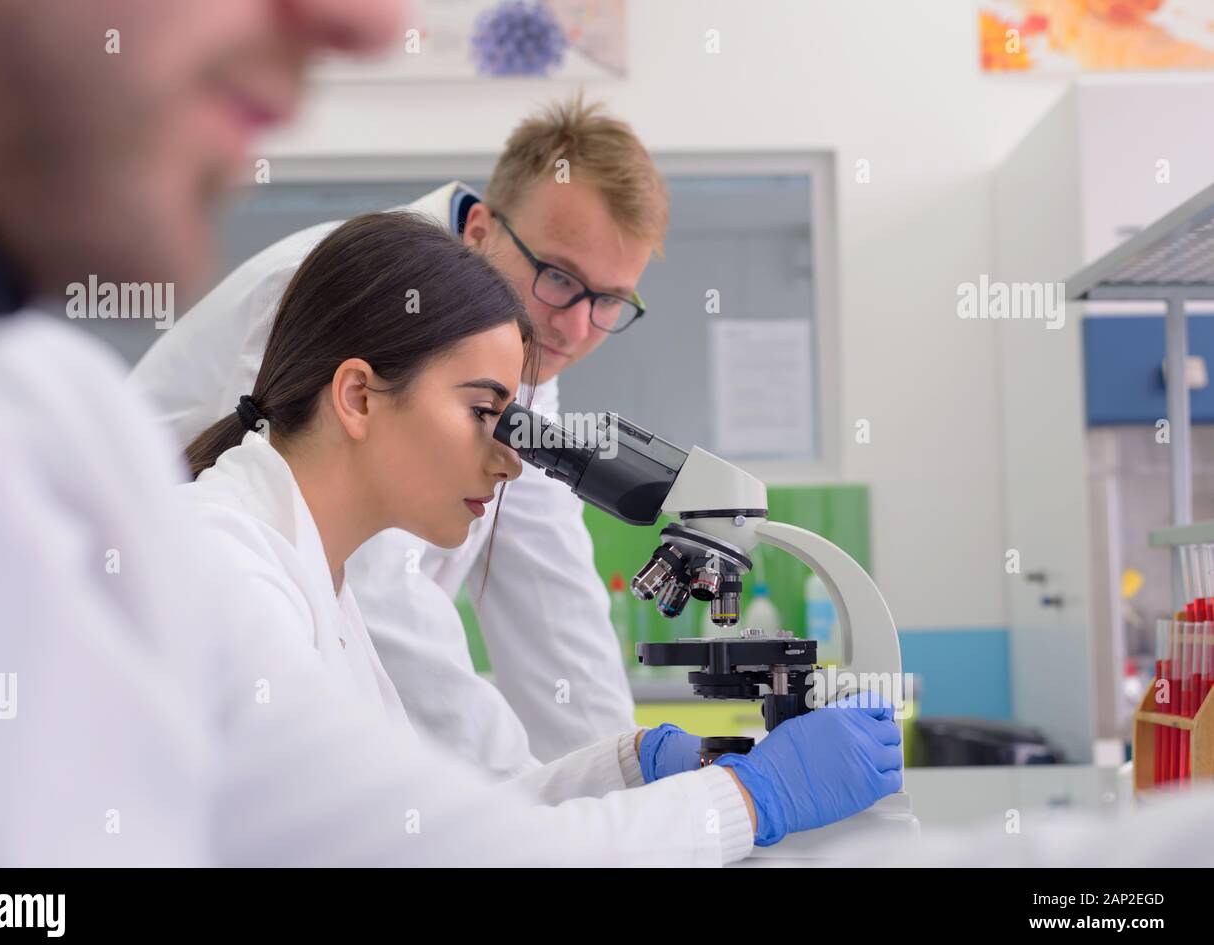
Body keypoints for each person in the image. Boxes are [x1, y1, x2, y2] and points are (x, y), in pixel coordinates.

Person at [172, 208, 905, 858]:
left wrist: (629, 763)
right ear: (359, 396)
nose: (511, 461)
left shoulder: (317, 584)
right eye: (484, 412)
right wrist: (747, 800)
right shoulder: (230, 573)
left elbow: (434, 831)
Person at [131, 96, 665, 774]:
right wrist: (532, 802)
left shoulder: (514, 346)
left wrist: (626, 769)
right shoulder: (356, 292)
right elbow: (387, 599)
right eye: (560, 277)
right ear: (480, 228)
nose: (576, 325)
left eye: (610, 300)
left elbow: (550, 593)